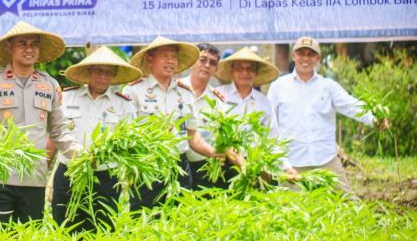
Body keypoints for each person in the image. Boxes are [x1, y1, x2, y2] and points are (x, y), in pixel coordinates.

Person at [124, 36, 241, 208]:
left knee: (179, 221)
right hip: (147, 166)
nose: (170, 61)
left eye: (174, 57)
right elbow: (126, 133)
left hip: (179, 168)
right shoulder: (134, 90)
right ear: (150, 58)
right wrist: (152, 133)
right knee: (143, 220)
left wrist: (214, 153)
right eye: (164, 56)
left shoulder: (184, 93)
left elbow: (192, 136)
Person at [267, 36, 387, 196]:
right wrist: (283, 164)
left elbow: (350, 105)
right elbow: (269, 127)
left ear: (318, 58)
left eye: (310, 54)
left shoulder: (327, 86)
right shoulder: (278, 87)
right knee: (294, 212)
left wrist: (374, 119)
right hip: (293, 164)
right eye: (301, 53)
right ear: (293, 56)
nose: (305, 58)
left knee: (349, 205)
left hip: (326, 160)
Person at [0, 21, 66, 226]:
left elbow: (59, 130)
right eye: (22, 43)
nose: (29, 49)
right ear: (9, 46)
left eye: (34, 44)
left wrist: (77, 152)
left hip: (34, 179)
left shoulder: (50, 84)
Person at [52, 46, 140, 230]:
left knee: (102, 230)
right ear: (89, 71)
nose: (103, 75)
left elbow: (128, 141)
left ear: (115, 75)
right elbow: (56, 131)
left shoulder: (123, 105)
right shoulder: (67, 97)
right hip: (69, 173)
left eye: (109, 72)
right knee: (65, 228)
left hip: (105, 177)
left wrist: (100, 155)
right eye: (99, 70)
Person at [213, 47, 299, 186]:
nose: (244, 72)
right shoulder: (218, 96)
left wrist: (287, 167)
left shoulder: (264, 102)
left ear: (256, 72)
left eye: (250, 68)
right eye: (240, 68)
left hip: (258, 166)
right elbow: (211, 133)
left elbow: (273, 140)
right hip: (225, 165)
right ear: (232, 71)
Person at [183, 43, 234, 190]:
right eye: (202, 60)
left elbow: (225, 137)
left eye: (212, 63)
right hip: (178, 165)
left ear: (216, 70)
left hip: (206, 168)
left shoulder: (218, 100)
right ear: (192, 61)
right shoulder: (176, 90)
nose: (207, 65)